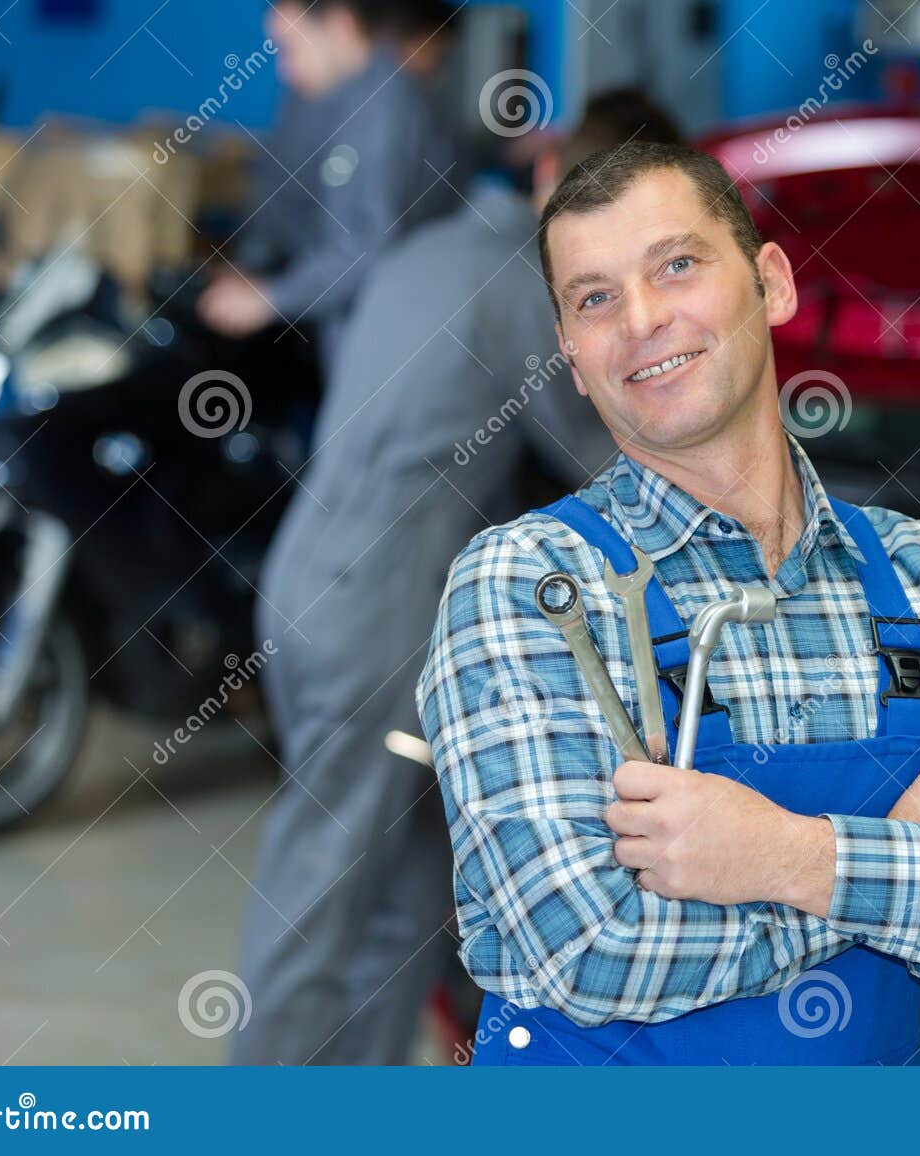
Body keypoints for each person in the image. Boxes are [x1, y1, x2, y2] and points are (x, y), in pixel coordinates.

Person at [416, 142, 920, 1065]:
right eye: (594, 298)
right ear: (574, 360)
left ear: (773, 284)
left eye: (676, 265)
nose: (640, 319)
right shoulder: (530, 586)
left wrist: (787, 857)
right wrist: (904, 844)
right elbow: (587, 948)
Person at [230, 93, 684, 1066]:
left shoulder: (435, 246)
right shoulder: (519, 282)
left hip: (318, 573)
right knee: (326, 879)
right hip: (375, 605)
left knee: (403, 879)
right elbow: (593, 454)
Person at [199, 0, 458, 369]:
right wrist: (252, 266)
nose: (285, 68)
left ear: (340, 26)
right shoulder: (330, 99)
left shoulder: (382, 111)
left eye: (292, 46)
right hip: (343, 323)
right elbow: (280, 193)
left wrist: (271, 298)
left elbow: (368, 244)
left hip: (383, 339)